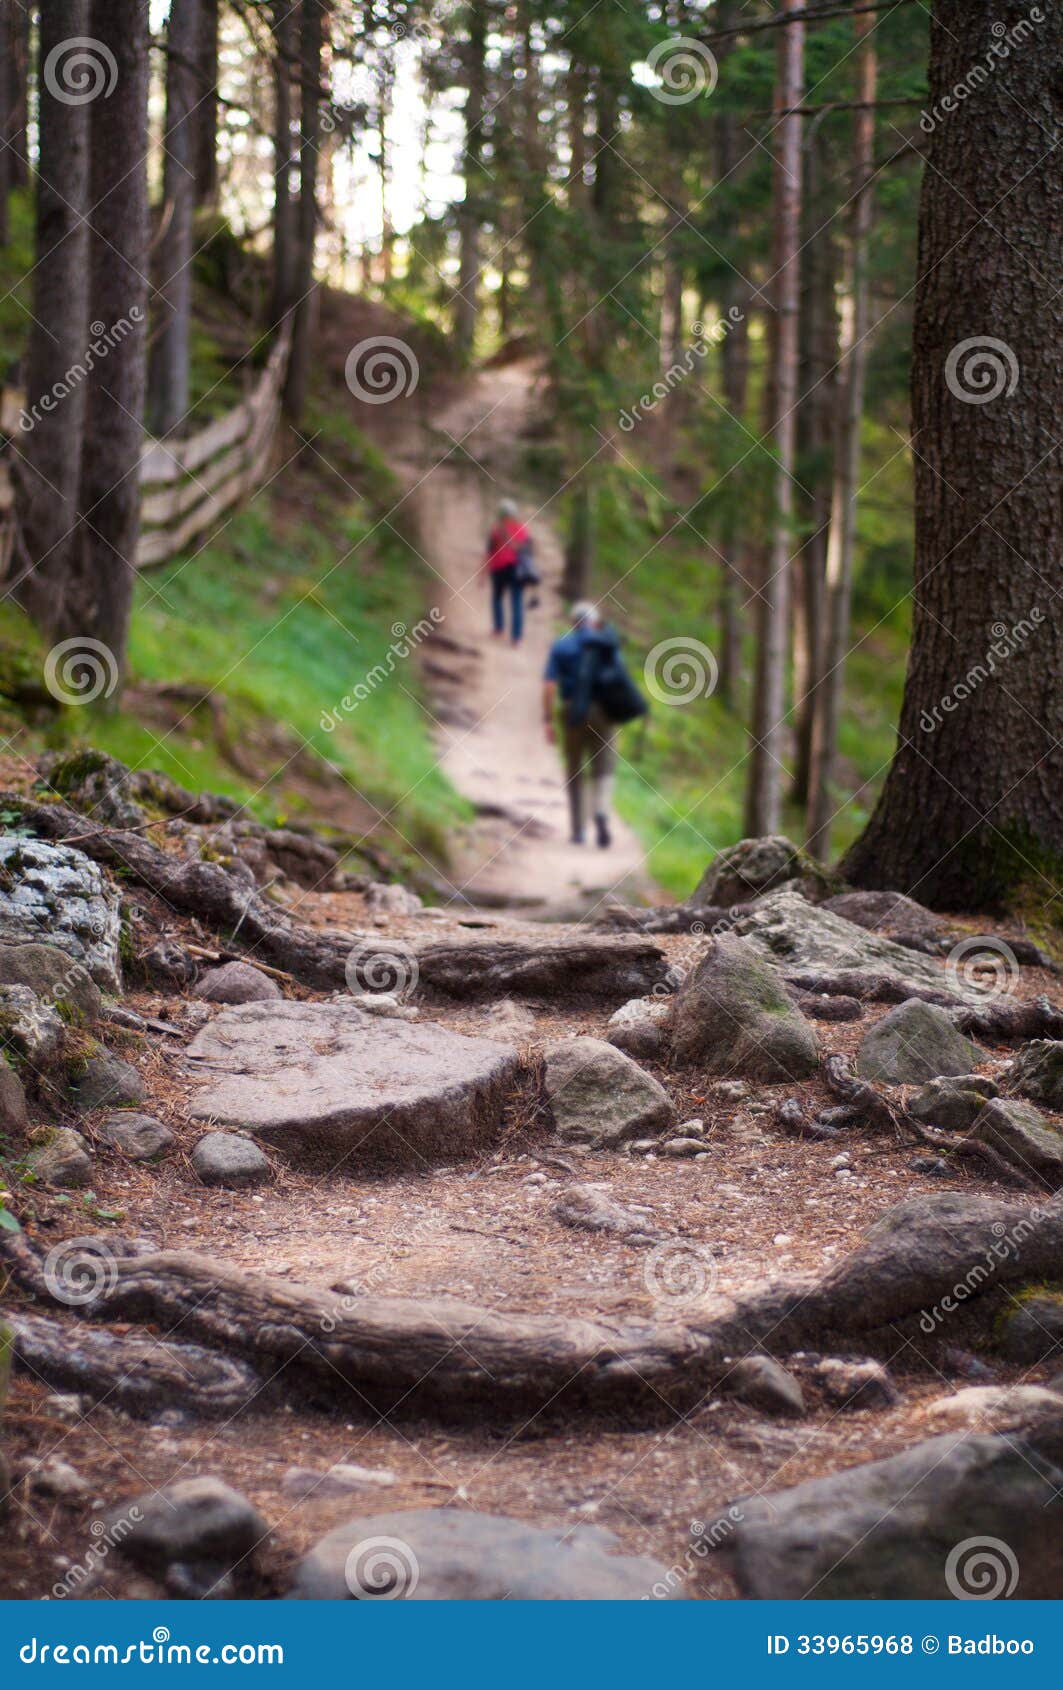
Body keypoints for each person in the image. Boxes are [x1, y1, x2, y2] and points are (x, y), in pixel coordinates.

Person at [542, 601, 619, 848]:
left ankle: (577, 830)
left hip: (572, 708)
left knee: (574, 769)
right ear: (594, 623)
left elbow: (549, 686)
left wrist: (548, 720)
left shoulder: (562, 645)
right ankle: (601, 811)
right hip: (603, 710)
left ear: (572, 622)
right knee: (604, 768)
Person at [484, 498, 530, 646]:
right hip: (517, 569)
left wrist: (482, 573)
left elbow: (489, 552)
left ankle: (499, 629)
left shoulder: (496, 530)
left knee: (497, 598)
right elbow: (527, 552)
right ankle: (516, 638)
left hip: (499, 568)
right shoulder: (523, 530)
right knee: (517, 602)